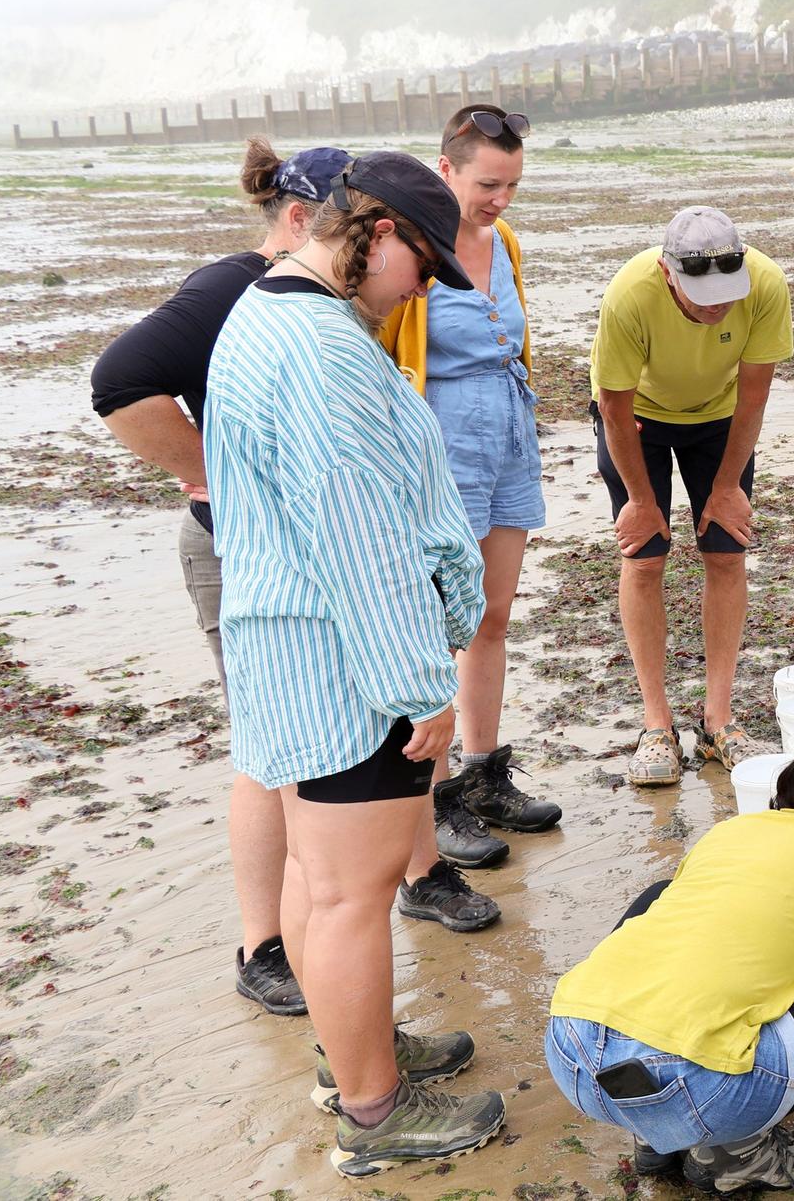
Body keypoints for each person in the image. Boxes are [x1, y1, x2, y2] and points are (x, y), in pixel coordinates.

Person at [203, 151, 505, 1176]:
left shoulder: (264, 313)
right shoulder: (323, 354)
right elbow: (357, 533)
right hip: (344, 663)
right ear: (371, 233)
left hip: (288, 643)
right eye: (421, 262)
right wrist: (420, 686)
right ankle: (376, 1114)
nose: (423, 285)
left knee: (318, 877)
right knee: (347, 893)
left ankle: (355, 1054)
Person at [90, 137, 350, 1017]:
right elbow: (118, 380)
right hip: (231, 549)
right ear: (299, 218)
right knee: (268, 751)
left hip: (287, 549)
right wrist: (209, 472)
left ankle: (309, 925)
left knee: (293, 746)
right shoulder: (234, 284)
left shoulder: (313, 300)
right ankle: (261, 945)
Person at [546, 723, 794, 1193]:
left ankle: (654, 1134)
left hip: (573, 1054)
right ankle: (736, 1149)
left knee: (662, 897)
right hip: (701, 1091)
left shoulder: (729, 832)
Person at [377, 103, 561, 934]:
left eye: (513, 184)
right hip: (443, 442)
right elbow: (383, 360)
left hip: (509, 431)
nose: (501, 200)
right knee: (437, 625)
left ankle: (485, 771)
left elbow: (514, 340)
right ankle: (438, 794)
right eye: (489, 184)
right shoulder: (410, 250)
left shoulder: (508, 243)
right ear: (444, 170)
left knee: (492, 614)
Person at [589, 206, 793, 783]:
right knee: (645, 556)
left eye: (725, 293)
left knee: (727, 554)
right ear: (667, 270)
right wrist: (640, 500)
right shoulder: (630, 294)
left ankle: (717, 721)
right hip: (640, 422)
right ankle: (657, 726)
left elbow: (753, 397)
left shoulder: (766, 283)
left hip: (721, 417)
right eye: (701, 295)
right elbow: (614, 407)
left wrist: (727, 487)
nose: (715, 306)